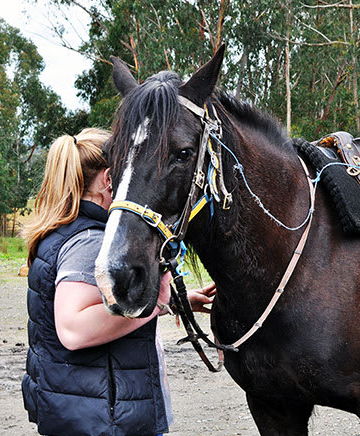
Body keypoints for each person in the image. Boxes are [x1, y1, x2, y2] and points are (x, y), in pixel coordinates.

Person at [21, 128, 215, 436]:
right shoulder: (89, 241)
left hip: (88, 413)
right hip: (107, 419)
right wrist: (156, 301)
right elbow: (74, 328)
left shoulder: (69, 231)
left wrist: (174, 302)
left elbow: (107, 299)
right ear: (110, 179)